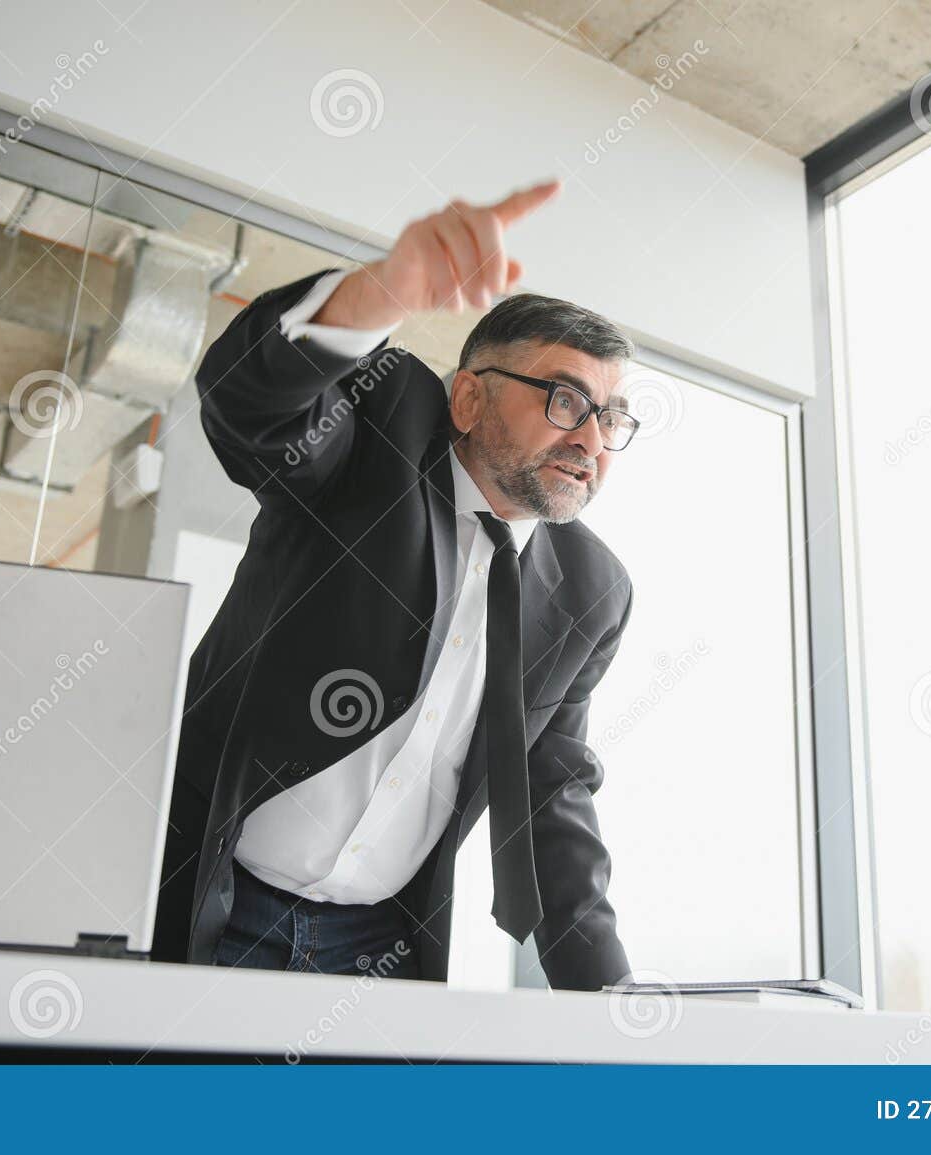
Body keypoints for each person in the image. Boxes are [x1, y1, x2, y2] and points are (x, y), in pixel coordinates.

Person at [154, 179, 643, 992]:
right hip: (217, 903)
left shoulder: (593, 589)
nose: (592, 437)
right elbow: (249, 407)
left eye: (613, 416)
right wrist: (379, 290)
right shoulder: (381, 430)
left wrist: (612, 999)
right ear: (467, 396)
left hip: (379, 949)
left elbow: (552, 790)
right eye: (565, 400)